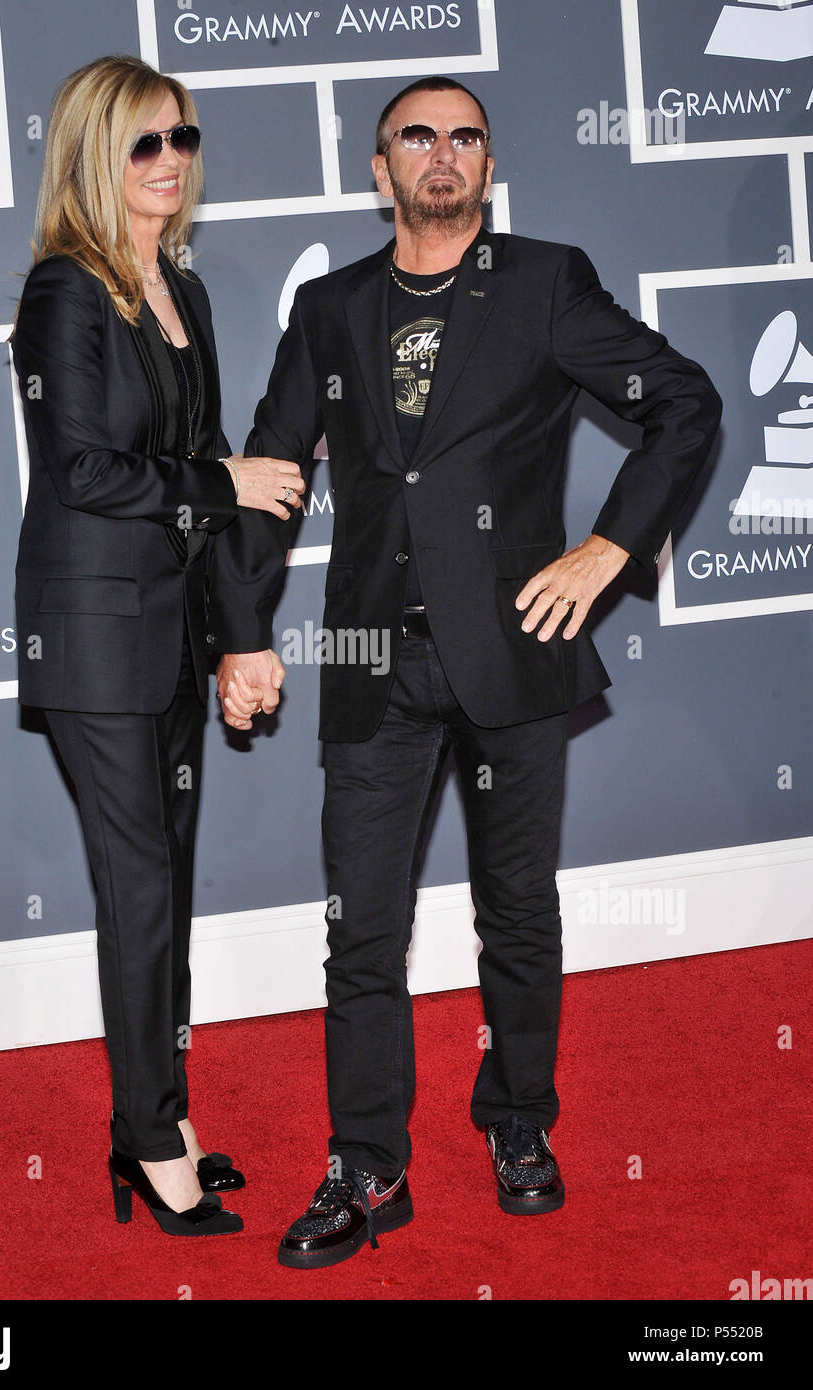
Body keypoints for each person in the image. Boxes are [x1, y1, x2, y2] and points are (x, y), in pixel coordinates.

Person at [210, 75, 722, 1267]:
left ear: (488, 165)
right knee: (361, 932)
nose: (444, 154)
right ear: (379, 167)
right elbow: (271, 472)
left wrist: (611, 544)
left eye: (467, 136)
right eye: (417, 136)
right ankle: (366, 1163)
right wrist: (243, 630)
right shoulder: (330, 309)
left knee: (519, 915)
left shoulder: (546, 283)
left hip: (516, 653)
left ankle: (519, 1124)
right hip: (374, 665)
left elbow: (682, 403)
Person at [10, 54, 304, 1237]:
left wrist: (239, 634)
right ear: (94, 152)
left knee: (163, 890)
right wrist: (218, 477)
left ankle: (164, 1116)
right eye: (144, 142)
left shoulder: (181, 284)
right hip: (94, 637)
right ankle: (144, 1139)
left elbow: (219, 483)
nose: (171, 161)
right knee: (138, 889)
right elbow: (81, 471)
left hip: (173, 632)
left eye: (183, 137)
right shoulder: (64, 292)